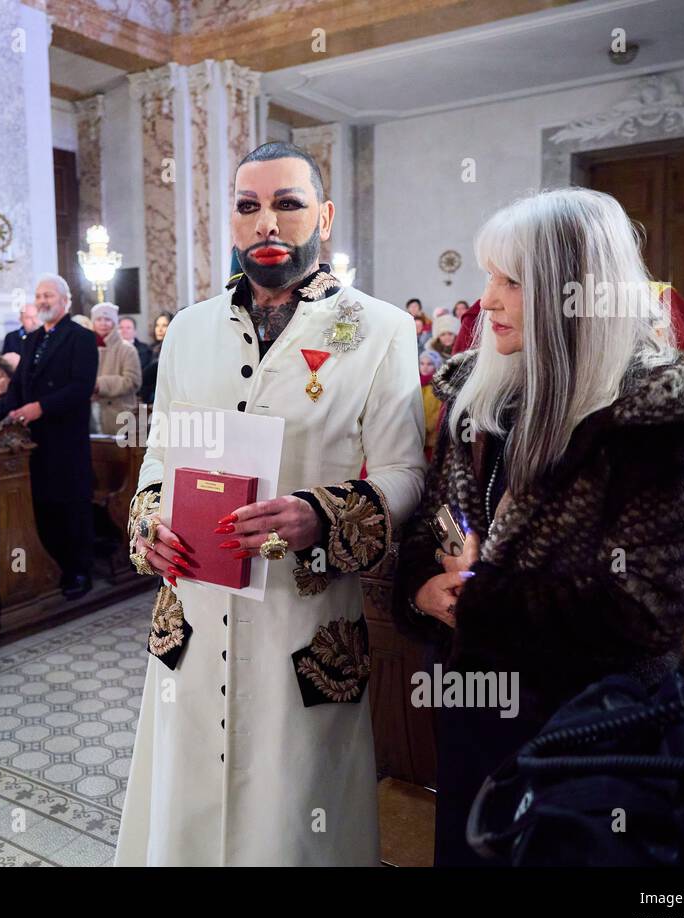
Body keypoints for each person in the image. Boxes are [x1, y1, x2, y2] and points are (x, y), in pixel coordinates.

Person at [392, 188, 684, 866]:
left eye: (512, 281)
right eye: (489, 277)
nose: (487, 300)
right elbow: (433, 528)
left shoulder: (653, 416)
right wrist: (422, 588)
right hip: (476, 715)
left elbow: (645, 607)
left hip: (585, 733)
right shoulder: (479, 397)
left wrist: (476, 604)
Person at [117, 141, 426, 866]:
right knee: (187, 798)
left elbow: (407, 471)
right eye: (248, 205)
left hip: (305, 618)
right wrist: (150, 517)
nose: (267, 223)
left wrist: (322, 514)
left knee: (293, 811)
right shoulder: (189, 329)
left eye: (286, 204)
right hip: (193, 605)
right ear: (231, 219)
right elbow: (162, 450)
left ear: (322, 215)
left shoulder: (379, 329)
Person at [0, 274, 99, 600]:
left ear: (64, 300)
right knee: (45, 506)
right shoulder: (32, 338)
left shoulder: (81, 337)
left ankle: (79, 571)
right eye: (38, 296)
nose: (42, 301)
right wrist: (5, 415)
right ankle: (51, 566)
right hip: (35, 442)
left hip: (66, 440)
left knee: (71, 507)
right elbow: (19, 384)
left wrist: (40, 407)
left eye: (48, 295)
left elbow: (80, 388)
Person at [91, 302, 142, 434]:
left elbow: (132, 381)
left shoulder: (127, 349)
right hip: (91, 412)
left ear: (114, 323)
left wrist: (100, 384)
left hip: (118, 414)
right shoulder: (86, 347)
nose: (103, 323)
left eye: (107, 319)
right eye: (98, 319)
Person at [139, 311, 174, 405]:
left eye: (164, 325)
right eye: (157, 325)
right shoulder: (149, 349)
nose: (160, 329)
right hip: (149, 402)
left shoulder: (173, 350)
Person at [418, 347, 444, 461]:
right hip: (413, 439)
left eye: (429, 364)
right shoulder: (415, 383)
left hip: (429, 442)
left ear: (436, 366)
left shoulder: (437, 387)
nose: (425, 367)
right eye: (422, 363)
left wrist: (422, 429)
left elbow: (436, 414)